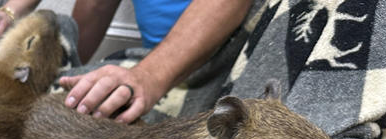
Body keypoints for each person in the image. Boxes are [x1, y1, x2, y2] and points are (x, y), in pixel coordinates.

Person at [61, 0, 253, 123]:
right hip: (153, 62)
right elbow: (96, 6)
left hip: (239, 56)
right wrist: (65, 73)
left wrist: (150, 76)